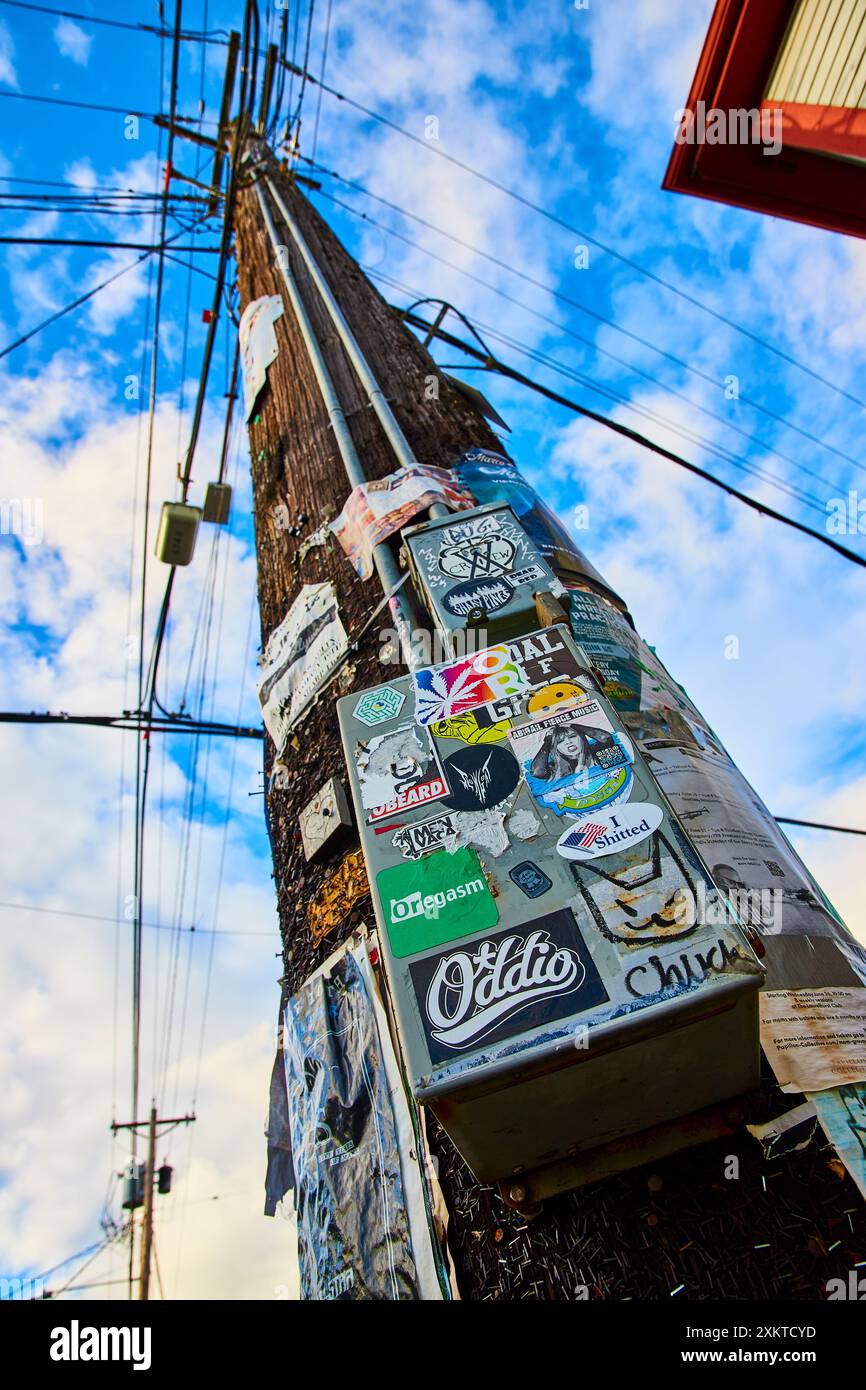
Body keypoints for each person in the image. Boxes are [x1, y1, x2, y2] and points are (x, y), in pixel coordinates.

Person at [529, 721, 620, 783]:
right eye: (560, 741)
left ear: (581, 738)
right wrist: (548, 742)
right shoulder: (554, 768)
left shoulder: (595, 753)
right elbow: (537, 772)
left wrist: (574, 726)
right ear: (556, 749)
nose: (569, 742)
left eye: (572, 736)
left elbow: (607, 739)